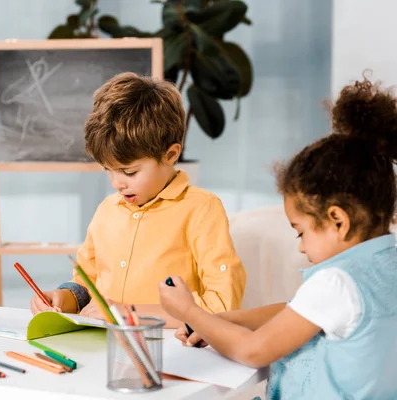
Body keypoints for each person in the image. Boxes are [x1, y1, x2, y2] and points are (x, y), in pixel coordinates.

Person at [159, 76, 397, 399]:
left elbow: (254, 351)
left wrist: (189, 311)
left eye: (301, 231)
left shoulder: (336, 283)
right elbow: (294, 312)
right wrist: (220, 321)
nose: (301, 246)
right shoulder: (386, 267)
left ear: (338, 221)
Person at [30, 72, 246, 326]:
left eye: (129, 172)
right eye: (108, 170)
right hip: (104, 346)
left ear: (170, 154)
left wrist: (131, 313)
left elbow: (222, 303)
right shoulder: (107, 211)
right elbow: (86, 282)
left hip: (169, 351)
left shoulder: (201, 209)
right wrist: (64, 297)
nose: (117, 183)